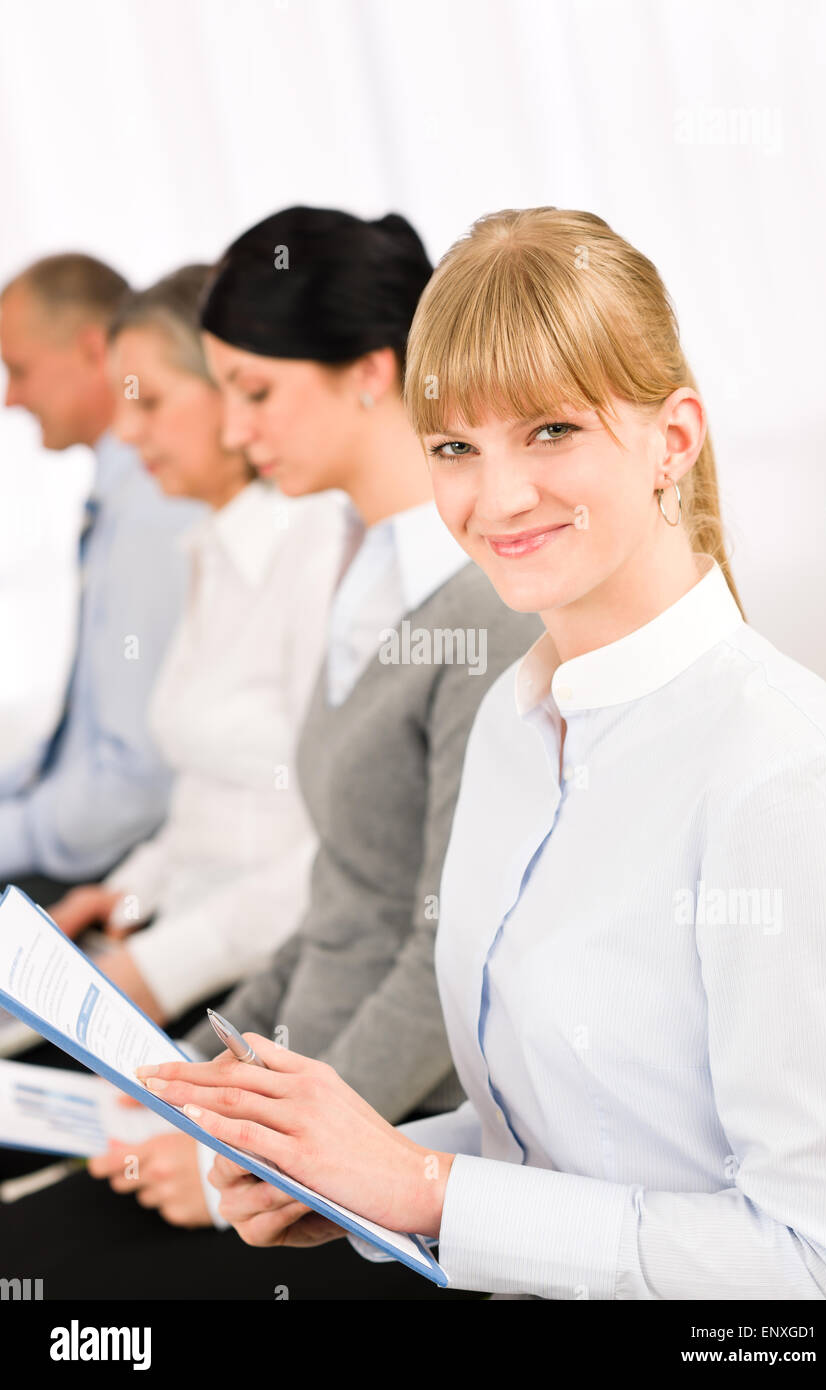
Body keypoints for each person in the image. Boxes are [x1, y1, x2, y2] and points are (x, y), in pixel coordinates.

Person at [145, 207, 826, 1302]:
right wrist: (344, 1184)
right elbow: (547, 1141)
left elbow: (820, 1263)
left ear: (673, 437)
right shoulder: (512, 723)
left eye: (549, 431)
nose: (496, 498)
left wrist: (425, 1185)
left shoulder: (779, 777)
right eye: (452, 449)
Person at [0, 208, 539, 1301]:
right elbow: (339, 902)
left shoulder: (475, 601)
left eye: (255, 391)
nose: (235, 431)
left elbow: (437, 962)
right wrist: (205, 1088)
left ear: (366, 374)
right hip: (302, 1082)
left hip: (359, 1127)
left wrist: (242, 1146)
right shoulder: (353, 564)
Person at [45, 264, 343, 1029]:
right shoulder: (208, 549)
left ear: (230, 387)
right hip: (178, 949)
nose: (127, 429)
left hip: (252, 986)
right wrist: (130, 890)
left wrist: (156, 968)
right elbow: (204, 801)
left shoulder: (316, 555)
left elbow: (334, 855)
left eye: (149, 400)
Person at [0, 254, 201, 895]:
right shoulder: (124, 494)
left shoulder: (152, 502)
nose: (11, 397)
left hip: (112, 864)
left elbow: (132, 780)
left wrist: (14, 832)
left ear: (93, 350)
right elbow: (88, 742)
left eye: (19, 369)